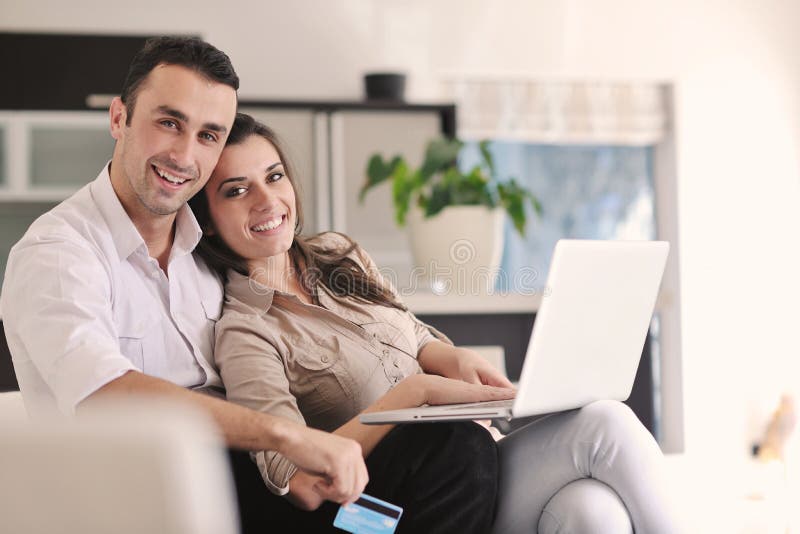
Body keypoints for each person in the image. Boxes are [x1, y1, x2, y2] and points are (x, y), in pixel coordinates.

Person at [190, 113, 681, 533]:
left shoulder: (338, 253)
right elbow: (294, 480)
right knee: (605, 422)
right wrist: (411, 395)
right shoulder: (245, 330)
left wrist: (449, 357)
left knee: (591, 512)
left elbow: (411, 331)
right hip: (404, 504)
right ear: (207, 219)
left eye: (274, 176)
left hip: (476, 461)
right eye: (237, 191)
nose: (265, 200)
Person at [0, 37, 368, 517]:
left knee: (401, 501)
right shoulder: (58, 252)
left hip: (256, 491)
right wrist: (284, 435)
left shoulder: (211, 250)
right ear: (119, 119)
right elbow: (102, 393)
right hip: (139, 507)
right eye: (169, 123)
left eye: (209, 135)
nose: (184, 155)